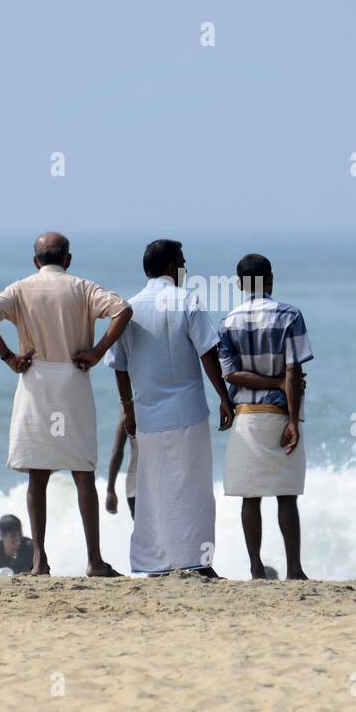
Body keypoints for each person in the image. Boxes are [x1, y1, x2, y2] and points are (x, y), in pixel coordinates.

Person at [0, 232, 130, 577]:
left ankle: (39, 560)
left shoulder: (20, 288)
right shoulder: (83, 287)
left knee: (38, 474)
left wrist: (8, 357)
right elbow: (123, 310)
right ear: (68, 259)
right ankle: (93, 560)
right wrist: (98, 351)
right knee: (83, 471)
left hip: (36, 382)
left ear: (36, 261)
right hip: (73, 379)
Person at [104, 239, 234, 577]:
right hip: (189, 411)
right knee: (195, 488)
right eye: (182, 261)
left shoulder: (128, 308)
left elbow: (118, 366)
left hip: (148, 416)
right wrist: (224, 397)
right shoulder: (187, 300)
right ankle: (198, 561)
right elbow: (208, 354)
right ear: (170, 266)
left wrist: (127, 409)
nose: (185, 267)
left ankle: (155, 562)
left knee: (153, 490)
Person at [219, 254, 313, 580]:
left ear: (240, 284)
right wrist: (293, 420)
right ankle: (295, 569)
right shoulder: (290, 316)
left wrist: (268, 382)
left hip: (247, 417)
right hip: (279, 413)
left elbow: (231, 376)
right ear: (271, 279)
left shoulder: (228, 322)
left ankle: (256, 569)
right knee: (286, 496)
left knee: (251, 496)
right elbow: (294, 371)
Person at [104, 416, 138, 519]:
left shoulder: (128, 410)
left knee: (144, 533)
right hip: (160, 481)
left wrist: (110, 490)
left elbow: (117, 452)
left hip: (135, 486)